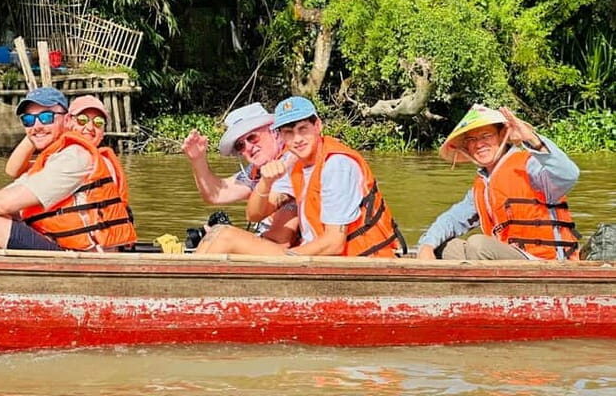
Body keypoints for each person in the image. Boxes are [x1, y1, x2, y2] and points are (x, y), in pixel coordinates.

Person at [0, 87, 136, 251]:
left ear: (66, 120)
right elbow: (4, 199)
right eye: (28, 120)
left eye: (46, 117)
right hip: (64, 246)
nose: (36, 125)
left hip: (88, 257)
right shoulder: (53, 158)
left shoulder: (75, 157)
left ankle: (0, 290)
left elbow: (3, 203)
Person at [196, 96, 405, 257]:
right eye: (289, 132)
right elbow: (254, 215)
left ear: (318, 126)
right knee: (218, 233)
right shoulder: (295, 164)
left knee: (225, 236)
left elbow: (334, 243)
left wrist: (284, 259)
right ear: (281, 135)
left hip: (356, 263)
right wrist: (265, 183)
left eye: (302, 129)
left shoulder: (336, 165)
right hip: (314, 258)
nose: (297, 139)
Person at [417, 104, 580, 261]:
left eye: (486, 136)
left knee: (478, 244)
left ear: (502, 136)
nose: (479, 144)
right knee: (445, 247)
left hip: (543, 260)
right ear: (466, 147)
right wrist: (427, 245)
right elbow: (452, 219)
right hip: (506, 257)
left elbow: (569, 174)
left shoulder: (530, 165)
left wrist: (532, 139)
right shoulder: (482, 185)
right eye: (472, 139)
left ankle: (473, 276)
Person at [182, 102, 298, 245]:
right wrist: (198, 159)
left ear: (273, 132)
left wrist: (231, 237)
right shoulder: (256, 170)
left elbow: (257, 214)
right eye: (240, 145)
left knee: (222, 235)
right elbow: (216, 194)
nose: (248, 147)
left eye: (252, 137)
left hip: (285, 247)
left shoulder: (291, 159)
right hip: (266, 242)